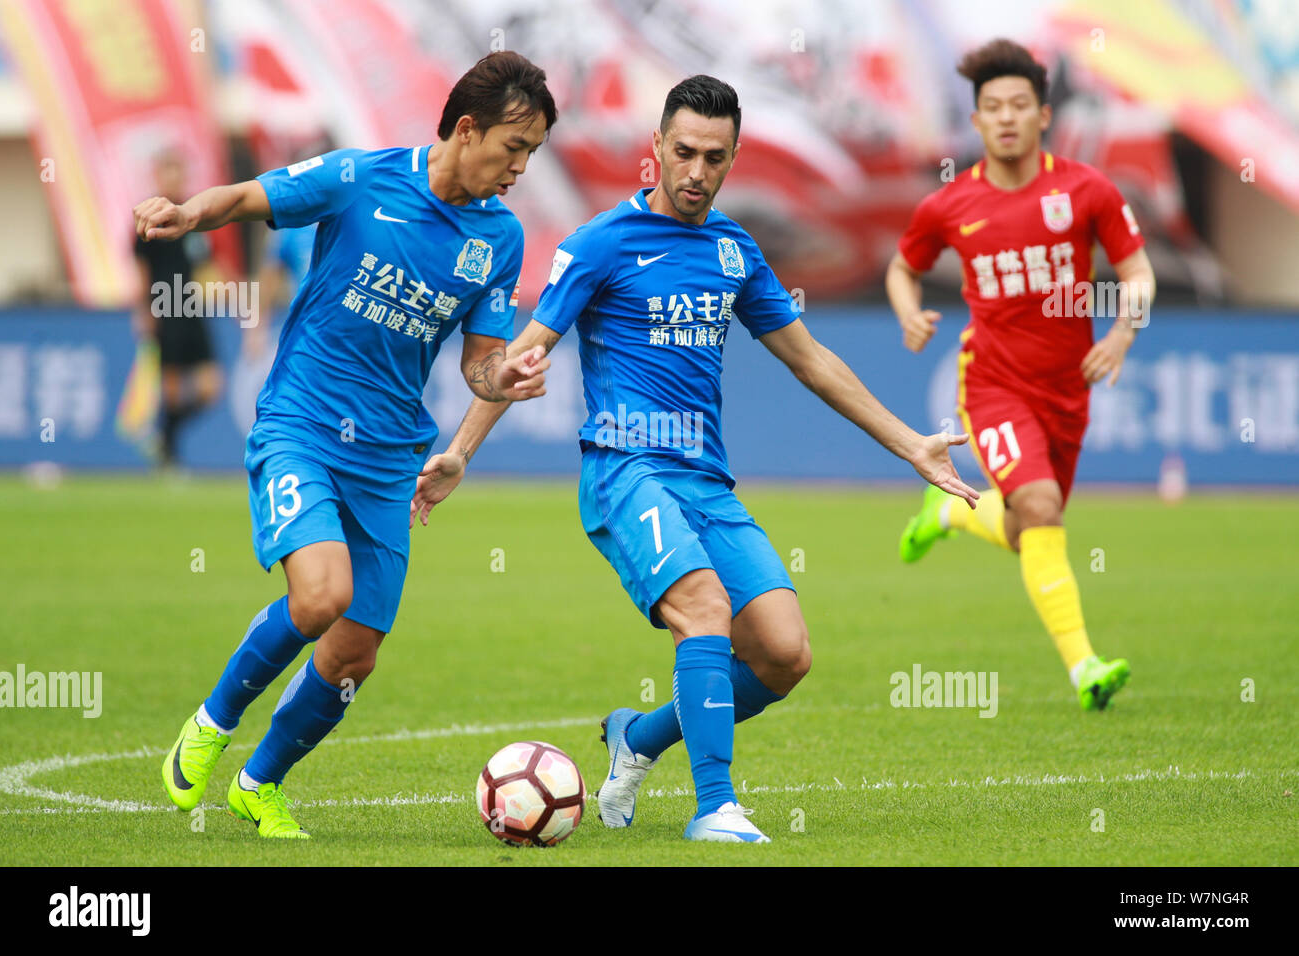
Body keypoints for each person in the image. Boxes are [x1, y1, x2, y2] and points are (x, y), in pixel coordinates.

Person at [411, 75, 977, 843]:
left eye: (714, 157)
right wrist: (459, 454)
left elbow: (812, 361)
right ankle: (716, 806)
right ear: (656, 147)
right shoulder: (602, 242)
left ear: (733, 157)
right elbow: (525, 352)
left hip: (705, 481)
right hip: (624, 470)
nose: (696, 171)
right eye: (683, 152)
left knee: (783, 654)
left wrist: (911, 442)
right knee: (705, 609)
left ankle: (637, 737)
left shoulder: (734, 251)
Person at [139, 52, 556, 838]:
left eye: (532, 153)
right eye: (514, 146)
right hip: (301, 423)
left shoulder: (499, 238)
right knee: (320, 595)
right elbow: (253, 195)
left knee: (352, 653)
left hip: (391, 457)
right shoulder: (363, 176)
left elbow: (478, 359)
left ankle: (260, 784)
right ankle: (213, 719)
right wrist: (191, 214)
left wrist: (505, 376)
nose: (521, 167)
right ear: (467, 130)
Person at [887, 38, 1155, 711]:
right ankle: (1084, 666)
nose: (1005, 117)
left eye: (1018, 105)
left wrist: (1125, 328)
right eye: (991, 107)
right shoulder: (950, 205)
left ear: (1043, 115)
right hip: (992, 385)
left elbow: (1137, 272)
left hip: (1068, 391)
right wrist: (909, 313)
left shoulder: (1087, 190)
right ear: (975, 122)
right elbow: (902, 266)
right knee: (1039, 507)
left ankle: (949, 510)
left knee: (1025, 526)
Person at [132, 149, 224, 466]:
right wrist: (144, 311)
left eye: (179, 171)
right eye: (168, 171)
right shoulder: (147, 219)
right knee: (170, 391)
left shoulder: (194, 217)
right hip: (165, 310)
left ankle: (162, 437)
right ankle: (168, 453)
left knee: (211, 388)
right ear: (157, 177)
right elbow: (142, 274)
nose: (174, 178)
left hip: (192, 310)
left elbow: (208, 264)